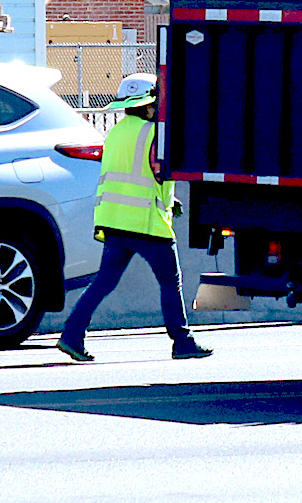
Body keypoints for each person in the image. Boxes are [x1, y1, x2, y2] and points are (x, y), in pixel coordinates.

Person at [57, 73, 212, 362]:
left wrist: (169, 199)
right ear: (149, 105)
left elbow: (130, 172)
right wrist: (167, 200)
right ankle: (182, 341)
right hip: (147, 222)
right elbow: (158, 171)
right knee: (170, 281)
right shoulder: (155, 133)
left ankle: (71, 334)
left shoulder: (116, 132)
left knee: (104, 281)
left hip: (115, 220)